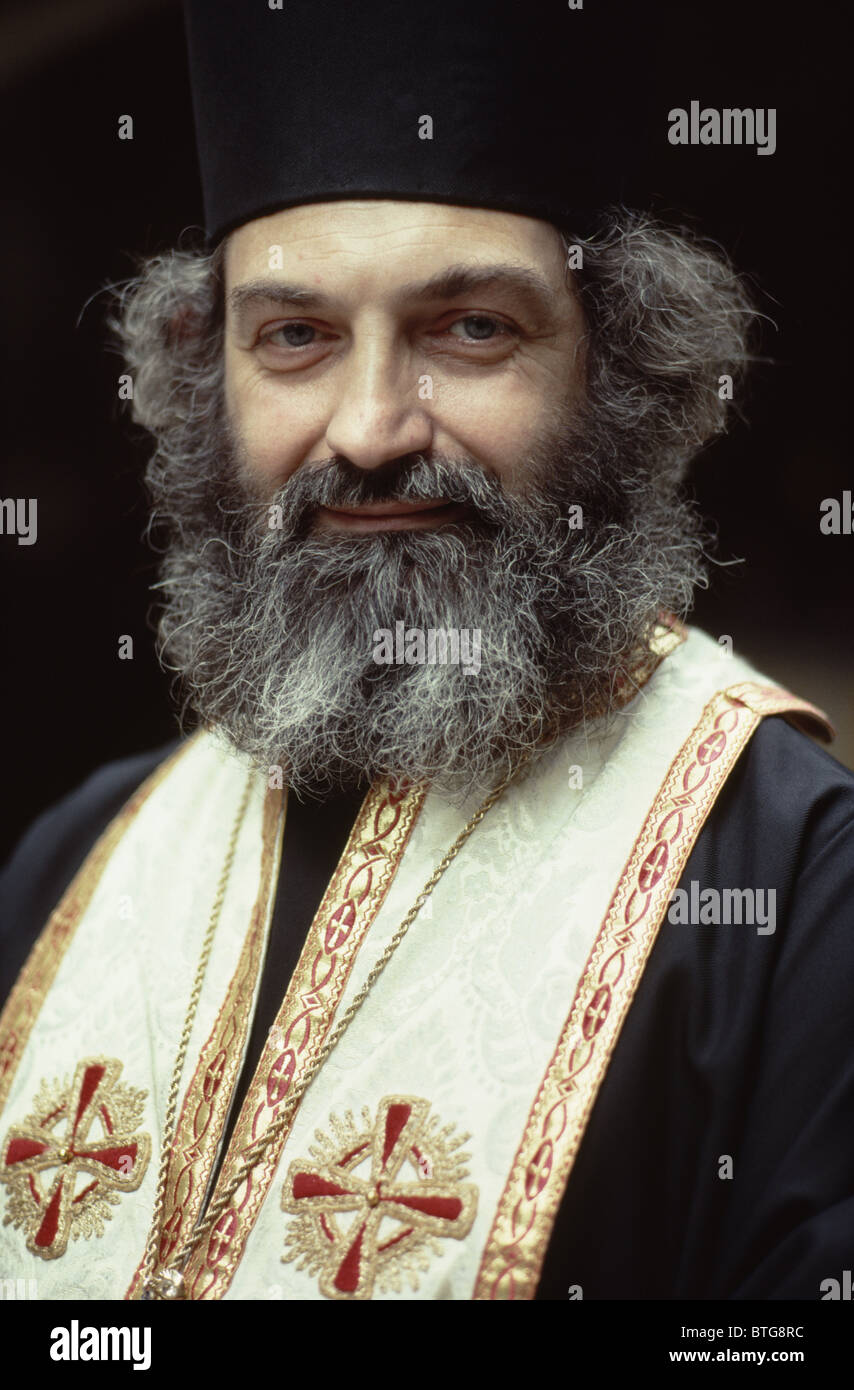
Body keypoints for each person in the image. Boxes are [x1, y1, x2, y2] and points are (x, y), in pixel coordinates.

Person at [1, 0, 852, 1302]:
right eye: (294, 337)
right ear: (203, 379)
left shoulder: (800, 888)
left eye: (470, 330)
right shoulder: (75, 860)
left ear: (615, 373)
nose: (371, 426)